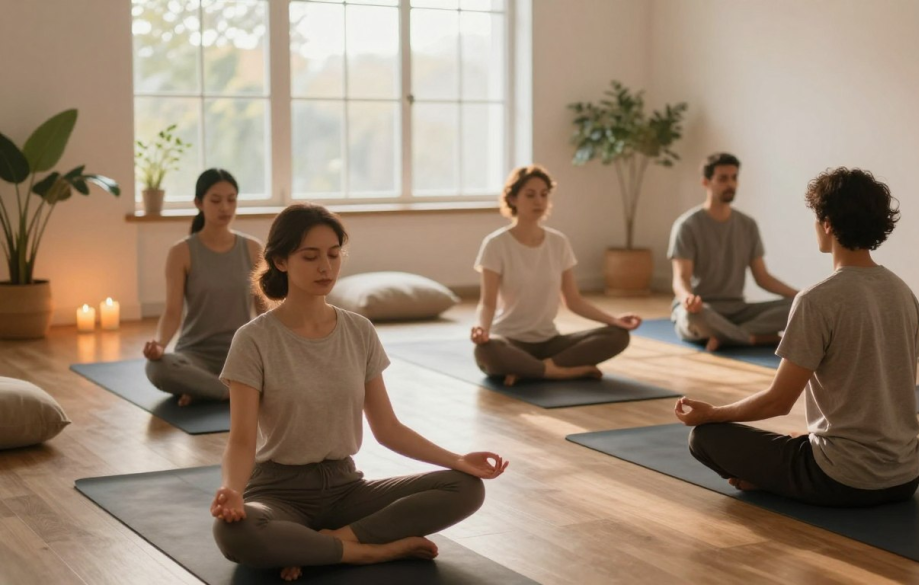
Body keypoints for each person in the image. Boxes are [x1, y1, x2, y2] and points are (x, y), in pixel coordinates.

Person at [211, 203, 508, 581]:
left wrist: (458, 459)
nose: (326, 267)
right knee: (234, 531)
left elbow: (388, 429)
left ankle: (333, 543)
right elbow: (241, 440)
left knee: (466, 488)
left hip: (345, 490)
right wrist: (232, 491)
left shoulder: (359, 331)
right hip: (277, 492)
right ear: (281, 261)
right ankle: (369, 552)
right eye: (311, 256)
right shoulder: (253, 339)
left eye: (334, 255)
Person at [675, 167, 919, 507]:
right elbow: (893, 390)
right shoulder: (903, 293)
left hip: (842, 479)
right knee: (795, 441)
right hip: (906, 477)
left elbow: (778, 402)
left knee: (704, 438)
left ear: (827, 225)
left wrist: (711, 413)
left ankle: (773, 480)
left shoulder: (816, 299)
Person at [471, 165, 642, 386]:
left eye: (544, 194)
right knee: (487, 351)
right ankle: (562, 372)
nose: (538, 201)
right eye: (530, 195)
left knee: (618, 335)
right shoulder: (495, 244)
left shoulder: (558, 242)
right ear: (513, 199)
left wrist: (613, 320)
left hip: (549, 342)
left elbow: (573, 301)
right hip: (510, 342)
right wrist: (482, 331)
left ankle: (535, 369)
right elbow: (487, 303)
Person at [142, 169, 263, 406]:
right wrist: (159, 345)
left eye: (231, 200)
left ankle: (202, 389)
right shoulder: (181, 252)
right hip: (194, 356)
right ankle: (228, 391)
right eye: (216, 200)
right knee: (157, 369)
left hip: (241, 354)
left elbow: (264, 310)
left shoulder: (252, 248)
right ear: (199, 203)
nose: (225, 208)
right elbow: (172, 312)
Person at [668, 152, 798, 351]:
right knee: (692, 317)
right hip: (702, 309)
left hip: (738, 310)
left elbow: (762, 277)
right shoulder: (687, 225)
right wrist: (687, 298)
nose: (730, 184)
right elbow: (681, 277)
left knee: (797, 309)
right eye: (722, 178)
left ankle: (726, 335)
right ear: (706, 182)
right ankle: (753, 338)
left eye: (734, 178)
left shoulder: (748, 225)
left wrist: (799, 296)